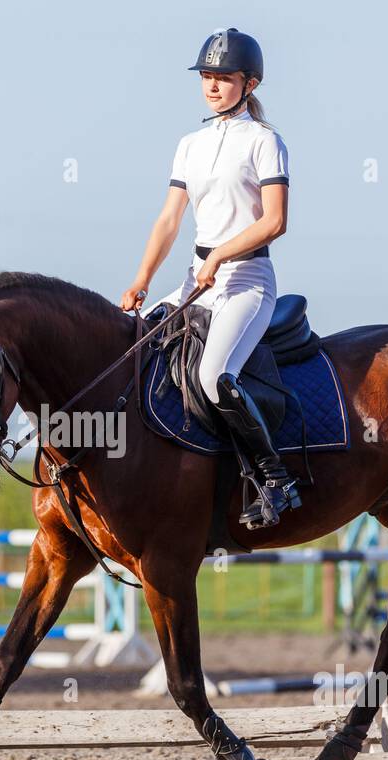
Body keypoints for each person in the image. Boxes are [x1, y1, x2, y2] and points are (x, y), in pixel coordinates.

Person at [119, 27, 294, 530]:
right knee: (129, 344)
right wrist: (142, 279)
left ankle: (273, 478)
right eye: (207, 77)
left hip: (247, 280)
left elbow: (274, 222)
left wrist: (219, 254)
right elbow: (170, 219)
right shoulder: (190, 144)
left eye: (224, 78)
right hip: (200, 277)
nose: (213, 86)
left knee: (213, 377)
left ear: (250, 84)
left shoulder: (266, 142)